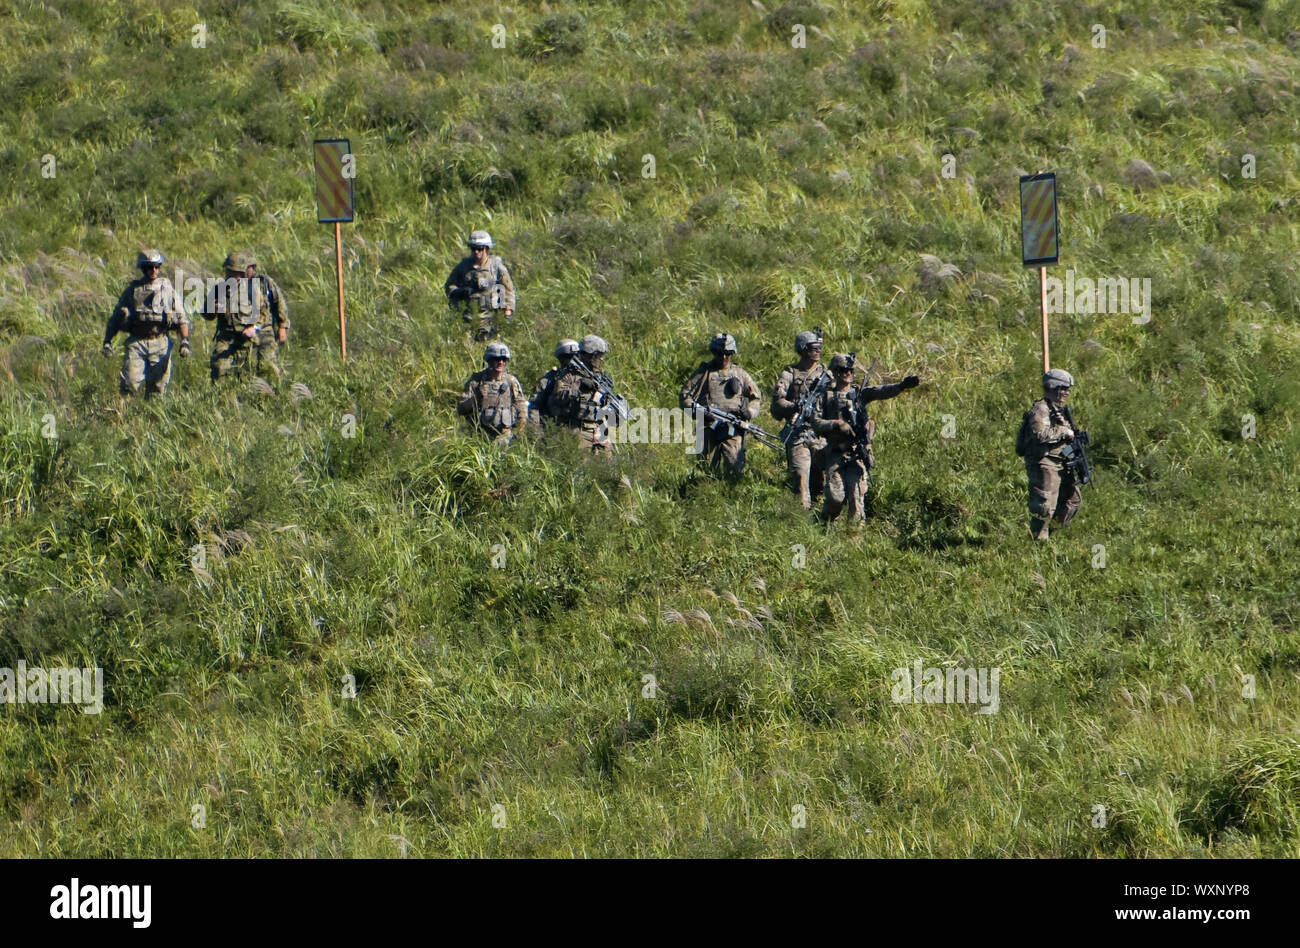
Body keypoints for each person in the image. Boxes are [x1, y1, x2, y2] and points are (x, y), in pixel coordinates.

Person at [811, 353, 919, 524]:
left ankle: (854, 540)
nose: (848, 374)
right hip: (835, 453)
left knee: (856, 503)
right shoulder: (825, 396)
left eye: (851, 371)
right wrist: (835, 424)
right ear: (836, 371)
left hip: (856, 454)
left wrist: (901, 386)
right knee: (835, 498)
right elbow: (815, 422)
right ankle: (823, 525)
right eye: (844, 370)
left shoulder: (859, 394)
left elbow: (881, 391)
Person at [101, 249, 190, 397]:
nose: (153, 270)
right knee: (129, 383)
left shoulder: (168, 291)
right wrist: (107, 341)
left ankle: (153, 416)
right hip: (137, 343)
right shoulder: (133, 291)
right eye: (150, 267)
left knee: (157, 388)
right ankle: (123, 416)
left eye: (156, 267)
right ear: (143, 268)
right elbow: (116, 318)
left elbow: (181, 318)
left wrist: (185, 342)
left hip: (160, 343)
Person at [680, 333, 763, 476]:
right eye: (720, 354)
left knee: (734, 465)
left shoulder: (740, 374)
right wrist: (699, 411)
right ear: (713, 352)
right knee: (706, 468)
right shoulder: (704, 373)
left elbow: (756, 397)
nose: (723, 357)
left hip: (732, 425)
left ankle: (730, 493)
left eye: (728, 354)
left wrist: (749, 412)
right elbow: (684, 397)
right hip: (707, 425)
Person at [1019, 368, 1082, 541]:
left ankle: (1055, 535)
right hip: (1045, 462)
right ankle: (1038, 543)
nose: (1066, 393)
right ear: (1053, 387)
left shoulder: (1058, 410)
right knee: (1044, 506)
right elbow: (1040, 435)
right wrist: (1062, 431)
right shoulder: (1041, 410)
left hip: (1061, 461)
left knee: (1072, 500)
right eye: (1063, 389)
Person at [204, 252, 281, 386]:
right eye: (229, 272)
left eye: (235, 273)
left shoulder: (252, 289)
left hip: (248, 338)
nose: (232, 276)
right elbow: (206, 314)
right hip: (226, 337)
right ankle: (220, 399)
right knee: (219, 368)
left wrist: (254, 328)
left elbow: (263, 314)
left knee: (252, 373)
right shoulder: (218, 289)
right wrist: (213, 309)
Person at [771, 329, 829, 508]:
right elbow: (777, 402)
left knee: (821, 482)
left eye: (819, 347)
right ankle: (800, 519)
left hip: (821, 434)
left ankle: (822, 521)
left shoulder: (827, 374)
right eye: (814, 347)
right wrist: (794, 406)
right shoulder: (790, 373)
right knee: (800, 478)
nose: (818, 350)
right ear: (803, 349)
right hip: (798, 433)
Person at [548, 334, 621, 455]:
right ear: (590, 355)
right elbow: (558, 397)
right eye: (599, 356)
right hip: (578, 431)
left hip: (600, 431)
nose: (601, 359)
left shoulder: (600, 377)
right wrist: (579, 387)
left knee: (610, 469)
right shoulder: (569, 375)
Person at [444, 230, 515, 340]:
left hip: (490, 321)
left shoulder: (495, 266)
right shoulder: (463, 266)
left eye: (480, 248)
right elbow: (449, 286)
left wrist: (507, 313)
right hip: (467, 320)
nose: (476, 252)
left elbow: (508, 290)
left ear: (486, 248)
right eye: (473, 249)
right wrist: (460, 292)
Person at [456, 341, 528, 446]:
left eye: (504, 359)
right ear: (489, 360)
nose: (501, 362)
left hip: (504, 437)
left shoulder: (510, 381)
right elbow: (461, 409)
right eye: (497, 359)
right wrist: (477, 397)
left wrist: (518, 432)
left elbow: (521, 406)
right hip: (479, 436)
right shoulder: (476, 380)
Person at [242, 251, 290, 376]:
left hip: (265, 331)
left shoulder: (264, 282)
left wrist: (282, 326)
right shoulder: (235, 283)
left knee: (267, 364)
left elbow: (279, 302)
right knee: (247, 368)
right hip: (242, 332)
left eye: (248, 267)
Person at [528, 338, 580, 435]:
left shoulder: (585, 380)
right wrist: (536, 434)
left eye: (577, 357)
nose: (573, 361)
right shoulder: (549, 380)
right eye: (569, 357)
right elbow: (534, 407)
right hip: (554, 432)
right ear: (561, 358)